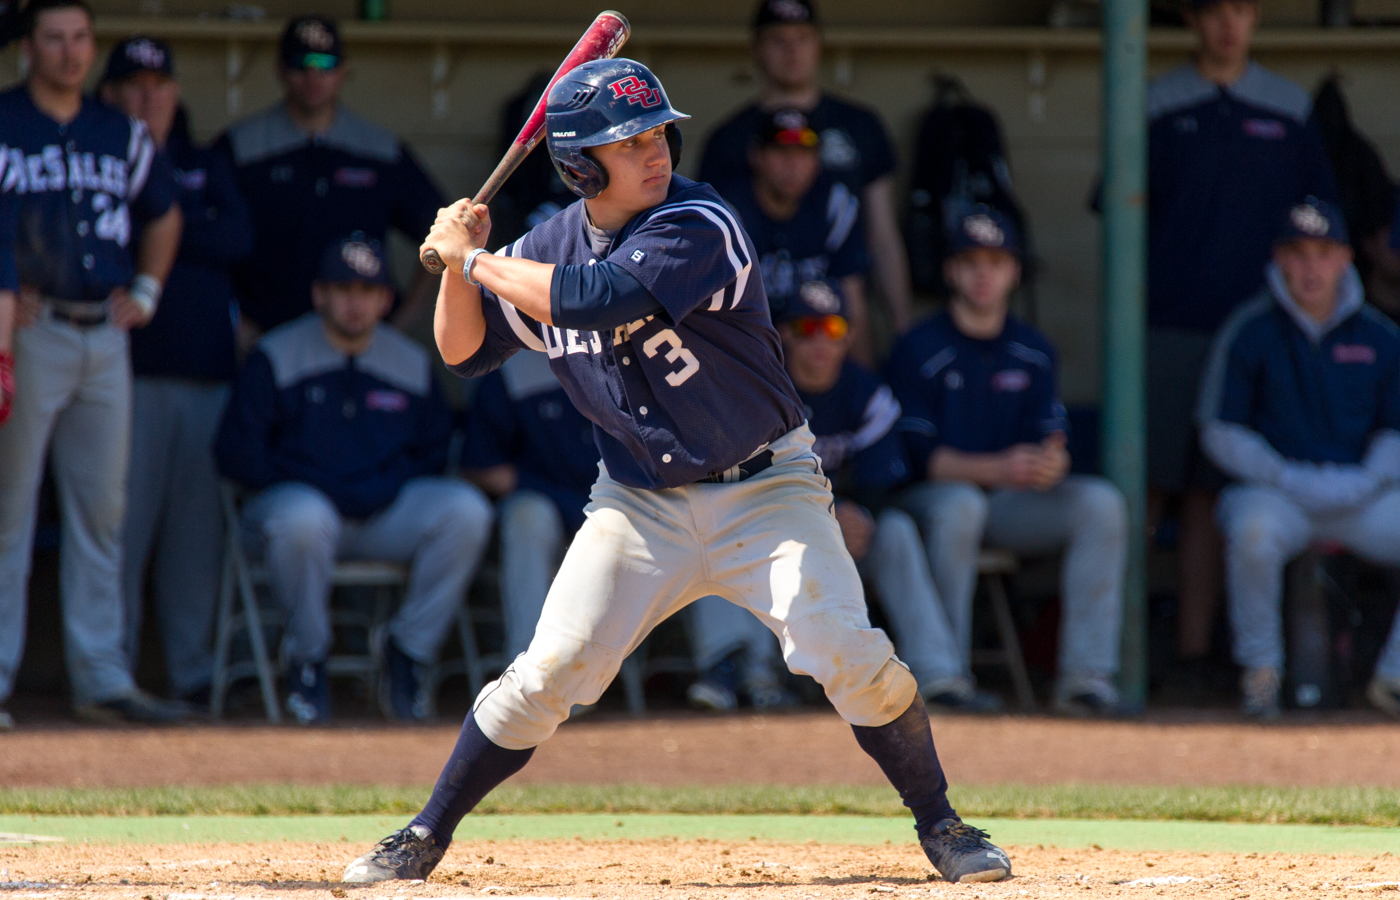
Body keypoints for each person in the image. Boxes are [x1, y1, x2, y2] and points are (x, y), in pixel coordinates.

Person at [342, 59, 1011, 886]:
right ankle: (423, 834)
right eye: (630, 141)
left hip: (766, 490)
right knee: (546, 675)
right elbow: (467, 351)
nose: (655, 150)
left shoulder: (700, 222)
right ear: (581, 164)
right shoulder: (545, 247)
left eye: (660, 131)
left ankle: (943, 825)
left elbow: (593, 297)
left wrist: (473, 263)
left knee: (852, 657)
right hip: (637, 508)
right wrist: (457, 266)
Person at [215, 237, 493, 724]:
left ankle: (407, 651)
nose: (355, 301)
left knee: (466, 511)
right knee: (304, 517)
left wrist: (381, 484)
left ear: (387, 299)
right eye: (343, 288)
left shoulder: (409, 362)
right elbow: (236, 455)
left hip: (382, 513)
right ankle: (307, 658)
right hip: (297, 518)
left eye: (367, 290)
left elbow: (431, 451)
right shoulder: (276, 354)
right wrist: (316, 480)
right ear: (319, 294)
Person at [0, 0, 186, 727]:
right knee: (10, 510)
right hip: (32, 331)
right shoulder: (7, 121)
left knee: (102, 511)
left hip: (104, 334)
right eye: (55, 38)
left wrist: (146, 288)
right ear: (31, 47)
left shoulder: (121, 132)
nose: (70, 52)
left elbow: (163, 210)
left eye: (80, 38)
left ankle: (101, 675)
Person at [1144, 0, 1337, 678]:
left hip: (1261, 330)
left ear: (1257, 18)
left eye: (1242, 9)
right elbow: (1120, 213)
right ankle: (1121, 654)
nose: (1228, 24)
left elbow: (1321, 223)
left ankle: (1197, 652)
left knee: (1210, 495)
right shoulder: (1155, 101)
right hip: (1167, 324)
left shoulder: (1288, 105)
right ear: (1191, 19)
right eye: (1213, 10)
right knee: (1147, 488)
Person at [887, 208, 1127, 717]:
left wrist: (1050, 465)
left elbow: (1049, 439)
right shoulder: (919, 346)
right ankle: (945, 676)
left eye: (996, 262)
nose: (983, 273)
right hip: (930, 503)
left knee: (1100, 503)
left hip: (1009, 506)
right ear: (950, 270)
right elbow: (920, 458)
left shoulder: (1033, 350)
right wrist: (1000, 468)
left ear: (1015, 272)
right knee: (960, 504)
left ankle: (1085, 679)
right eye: (970, 261)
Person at [1196, 197, 1400, 721]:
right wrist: (1284, 475)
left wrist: (1363, 480)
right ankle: (1261, 675)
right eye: (1299, 253)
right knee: (1254, 532)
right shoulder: (1250, 328)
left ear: (1346, 259)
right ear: (1279, 259)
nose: (1311, 268)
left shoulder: (1381, 336)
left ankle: (1392, 680)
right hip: (1274, 493)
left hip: (1358, 494)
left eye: (1323, 253)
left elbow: (1395, 430)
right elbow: (1219, 430)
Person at [99, 35, 253, 707]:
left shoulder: (201, 159)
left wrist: (162, 227)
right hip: (123, 376)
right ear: (110, 96)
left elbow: (238, 239)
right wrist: (185, 231)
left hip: (204, 377)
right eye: (133, 85)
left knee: (195, 540)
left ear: (175, 92)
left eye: (158, 85)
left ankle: (191, 675)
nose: (147, 97)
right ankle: (112, 672)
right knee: (118, 531)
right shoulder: (102, 159)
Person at [778, 279, 998, 713]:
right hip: (785, 529)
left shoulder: (867, 392)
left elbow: (885, 480)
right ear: (784, 333)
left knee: (895, 530)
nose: (821, 341)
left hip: (851, 530)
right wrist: (826, 515)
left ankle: (939, 676)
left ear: (851, 335)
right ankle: (761, 679)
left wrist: (857, 514)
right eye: (807, 328)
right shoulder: (763, 392)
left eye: (834, 329)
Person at [214, 15, 445, 338]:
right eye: (300, 64)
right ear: (280, 69)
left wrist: (402, 321)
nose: (313, 76)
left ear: (344, 70)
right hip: (268, 342)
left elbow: (444, 236)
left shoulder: (381, 150)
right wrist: (236, 323)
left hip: (360, 345)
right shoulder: (240, 148)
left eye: (325, 63)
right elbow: (203, 246)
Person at [700, 0, 912, 342]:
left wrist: (902, 328)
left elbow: (883, 236)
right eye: (777, 40)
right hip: (755, 321)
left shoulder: (860, 125)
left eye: (802, 37)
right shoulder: (729, 137)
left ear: (819, 44)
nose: (791, 51)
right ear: (756, 49)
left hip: (839, 318)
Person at [459, 350, 600, 662]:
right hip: (545, 509)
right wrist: (567, 504)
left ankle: (724, 662)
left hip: (615, 507)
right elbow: (480, 467)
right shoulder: (509, 371)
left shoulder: (626, 356)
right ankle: (535, 666)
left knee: (697, 498)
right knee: (528, 516)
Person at [716, 109, 870, 354]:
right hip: (747, 355)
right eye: (780, 151)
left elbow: (853, 301)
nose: (792, 164)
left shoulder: (834, 205)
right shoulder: (726, 215)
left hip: (814, 355)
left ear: (817, 159)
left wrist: (857, 379)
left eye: (803, 152)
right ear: (757, 155)